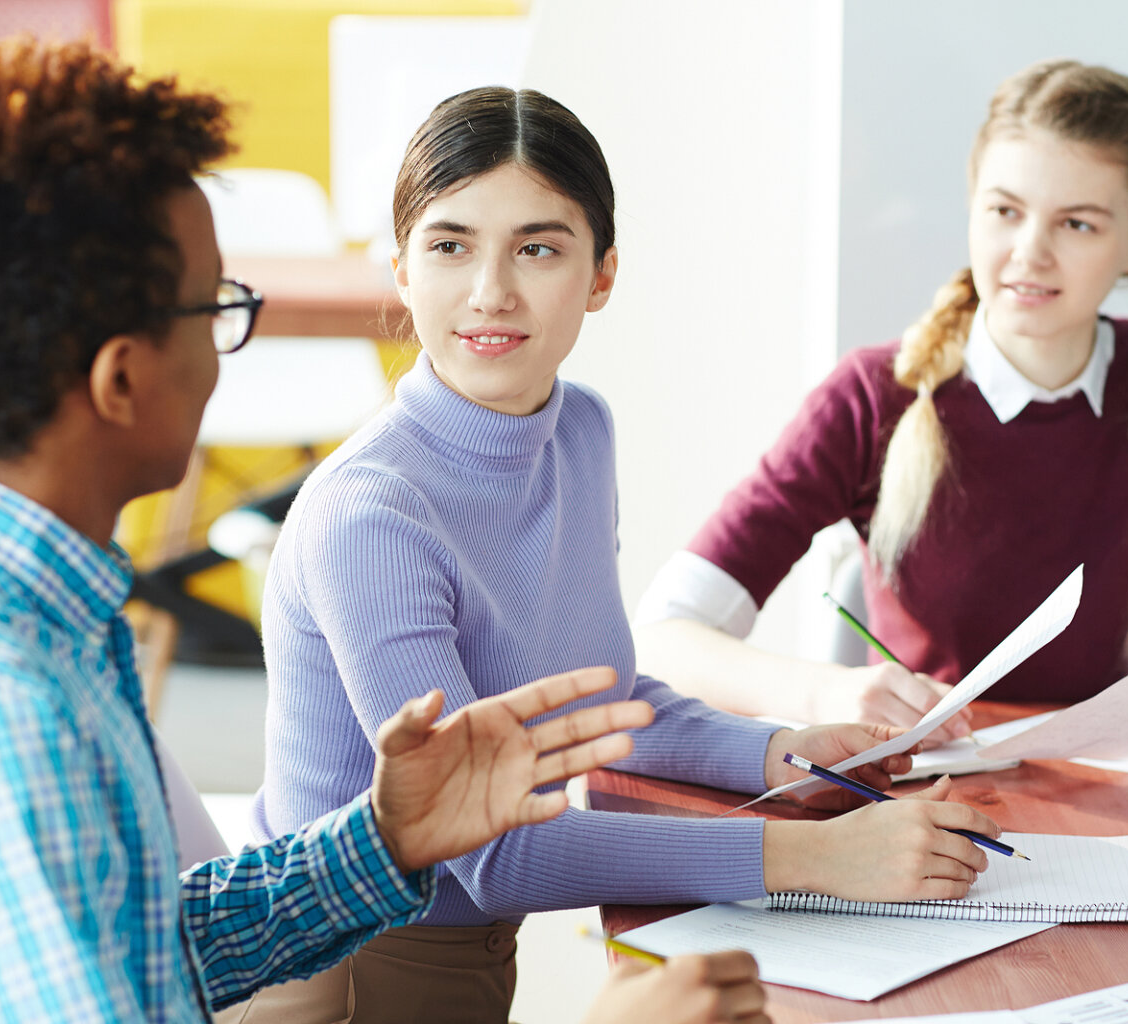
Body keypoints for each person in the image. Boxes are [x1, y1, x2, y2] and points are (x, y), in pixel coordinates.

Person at [0, 38, 762, 1024]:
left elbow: (149, 950)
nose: (225, 349)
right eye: (215, 309)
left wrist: (380, 839)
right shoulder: (10, 711)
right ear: (121, 379)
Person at [247, 85, 1002, 1024]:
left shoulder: (580, 432)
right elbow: (491, 850)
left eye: (538, 247)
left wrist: (783, 753)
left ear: (601, 275)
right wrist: (814, 861)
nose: (491, 290)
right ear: (401, 268)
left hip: (469, 956)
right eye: (449, 245)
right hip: (343, 975)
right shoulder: (373, 516)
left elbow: (600, 702)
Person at [634, 59, 1128, 780]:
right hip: (925, 801)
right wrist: (827, 689)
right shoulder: (871, 396)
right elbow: (664, 634)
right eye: (1005, 211)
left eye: (1076, 223)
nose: (1028, 253)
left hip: (1109, 795)